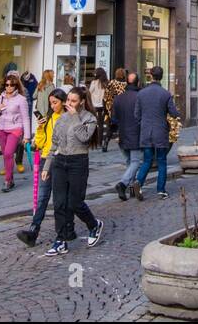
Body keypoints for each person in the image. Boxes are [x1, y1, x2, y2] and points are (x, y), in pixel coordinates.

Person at [45, 88, 104, 256]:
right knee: (59, 203)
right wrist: (46, 166)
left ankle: (93, 224)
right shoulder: (61, 119)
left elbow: (84, 137)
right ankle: (61, 239)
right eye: (68, 100)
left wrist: (74, 117)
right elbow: (54, 143)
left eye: (73, 101)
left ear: (81, 102)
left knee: (75, 202)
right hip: (60, 161)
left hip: (78, 162)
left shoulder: (89, 118)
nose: (68, 104)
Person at [18, 88, 65, 246]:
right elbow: (40, 142)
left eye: (55, 103)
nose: (52, 106)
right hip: (46, 159)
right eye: (51, 103)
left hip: (59, 160)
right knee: (43, 197)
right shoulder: (49, 119)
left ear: (63, 102)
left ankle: (64, 231)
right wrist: (39, 128)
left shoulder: (66, 118)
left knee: (61, 199)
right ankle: (33, 230)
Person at [135, 65, 179, 198]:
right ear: (162, 77)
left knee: (147, 161)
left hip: (146, 131)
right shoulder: (165, 94)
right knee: (161, 161)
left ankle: (139, 182)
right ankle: (161, 190)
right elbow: (173, 113)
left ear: (151, 76)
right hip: (160, 132)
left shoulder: (141, 93)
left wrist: (143, 124)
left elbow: (136, 114)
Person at [0, 72, 30, 192]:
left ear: (16, 86)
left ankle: (7, 181)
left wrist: (27, 136)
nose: (9, 87)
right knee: (6, 156)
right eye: (6, 85)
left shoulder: (21, 99)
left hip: (15, 129)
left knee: (8, 153)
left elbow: (26, 118)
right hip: (1, 129)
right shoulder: (1, 97)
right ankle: (11, 179)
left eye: (12, 85)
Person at [110, 70, 143, 200]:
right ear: (138, 82)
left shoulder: (118, 98)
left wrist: (116, 131)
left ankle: (131, 191)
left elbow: (114, 118)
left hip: (122, 134)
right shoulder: (140, 97)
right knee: (136, 162)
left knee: (130, 162)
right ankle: (122, 184)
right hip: (136, 133)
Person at [101, 66, 126, 152]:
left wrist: (106, 109)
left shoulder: (112, 82)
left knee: (110, 127)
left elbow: (105, 97)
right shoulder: (126, 84)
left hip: (111, 108)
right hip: (123, 107)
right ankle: (124, 144)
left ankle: (105, 143)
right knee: (122, 126)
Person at [88, 68, 110, 151]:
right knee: (101, 125)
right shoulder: (106, 83)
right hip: (103, 106)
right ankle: (100, 142)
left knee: (94, 123)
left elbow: (89, 92)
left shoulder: (94, 83)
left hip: (95, 106)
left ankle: (94, 141)